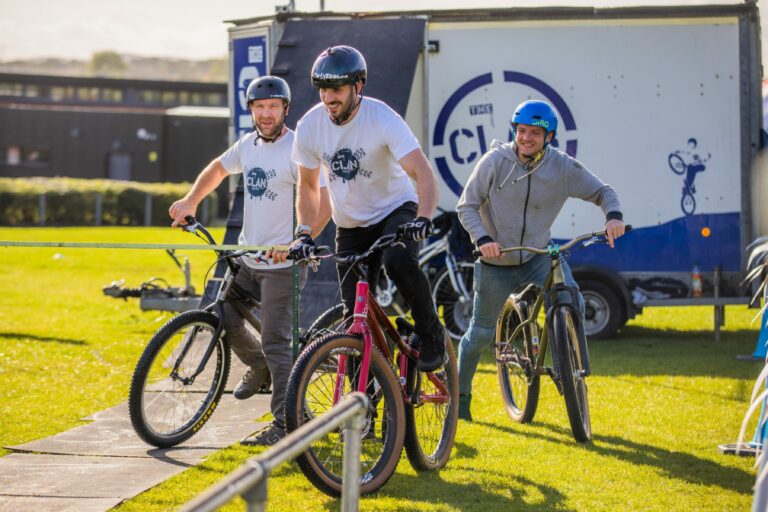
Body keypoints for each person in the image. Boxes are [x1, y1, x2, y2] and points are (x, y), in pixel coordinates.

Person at [168, 76, 331, 445]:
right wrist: (191, 200)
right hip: (247, 259)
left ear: (286, 109)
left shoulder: (299, 148)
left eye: (273, 106)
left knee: (277, 342)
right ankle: (259, 365)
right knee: (223, 314)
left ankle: (287, 426)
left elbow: (326, 202)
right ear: (251, 111)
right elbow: (217, 169)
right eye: (259, 107)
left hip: (284, 265)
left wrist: (299, 241)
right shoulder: (248, 145)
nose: (266, 113)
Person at [277, 45, 446, 372]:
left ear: (358, 86)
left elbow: (422, 173)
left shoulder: (381, 118)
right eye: (323, 89)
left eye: (337, 90)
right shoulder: (310, 126)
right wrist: (304, 233)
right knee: (353, 314)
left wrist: (423, 217)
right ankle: (362, 396)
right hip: (350, 225)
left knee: (399, 262)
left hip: (395, 210)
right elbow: (309, 187)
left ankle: (430, 332)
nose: (328, 98)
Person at [456, 99, 626, 421]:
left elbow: (604, 192)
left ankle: (569, 361)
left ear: (549, 137)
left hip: (538, 256)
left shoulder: (561, 167)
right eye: (521, 131)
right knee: (479, 334)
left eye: (535, 133)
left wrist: (613, 216)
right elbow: (466, 206)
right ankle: (461, 398)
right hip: (497, 261)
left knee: (572, 298)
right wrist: (484, 240)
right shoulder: (494, 162)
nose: (526, 138)